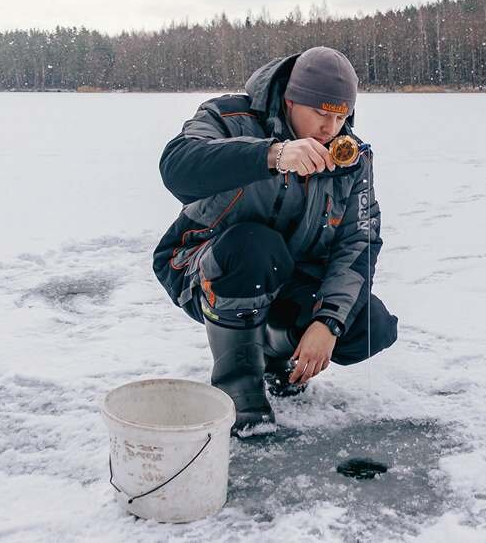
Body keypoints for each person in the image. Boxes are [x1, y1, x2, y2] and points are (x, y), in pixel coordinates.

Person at [152, 46, 398, 435]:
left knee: (370, 327)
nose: (330, 128)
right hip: (203, 263)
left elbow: (358, 242)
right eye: (320, 113)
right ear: (290, 99)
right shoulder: (230, 118)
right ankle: (238, 383)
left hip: (288, 275)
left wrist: (327, 322)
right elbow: (178, 167)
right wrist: (274, 155)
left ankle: (272, 352)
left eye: (341, 116)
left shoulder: (351, 158)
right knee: (255, 246)